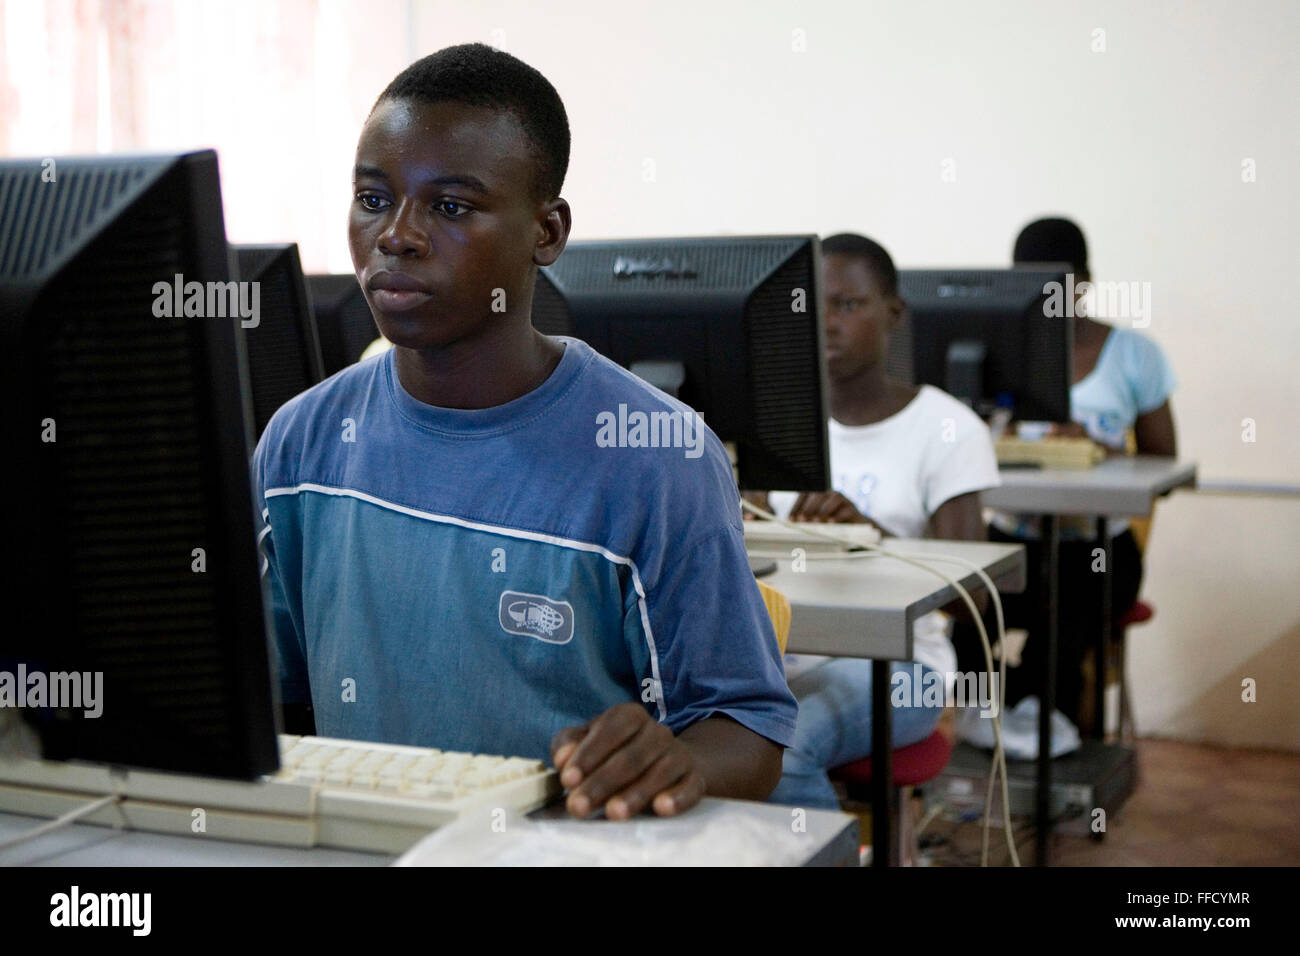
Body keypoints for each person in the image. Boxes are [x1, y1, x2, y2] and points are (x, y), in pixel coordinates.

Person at [252, 44, 796, 820]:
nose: (396, 236)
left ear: (547, 231)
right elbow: (267, 699)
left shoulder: (652, 457)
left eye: (449, 206)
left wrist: (676, 758)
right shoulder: (300, 444)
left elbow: (749, 730)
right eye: (374, 198)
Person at [751, 233, 1001, 810]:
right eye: (814, 306)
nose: (828, 323)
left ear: (894, 313)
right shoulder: (772, 423)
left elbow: (974, 600)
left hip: (907, 666)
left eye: (848, 304)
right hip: (780, 654)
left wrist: (872, 539)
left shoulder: (947, 428)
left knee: (778, 753)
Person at [986, 216, 1178, 728]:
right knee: (959, 615)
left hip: (1097, 550)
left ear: (1085, 283)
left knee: (1061, 625)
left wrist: (1099, 449)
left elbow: (1165, 458)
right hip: (1012, 542)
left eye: (1058, 284)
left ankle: (1050, 744)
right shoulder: (999, 353)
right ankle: (1008, 731)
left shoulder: (1134, 355)